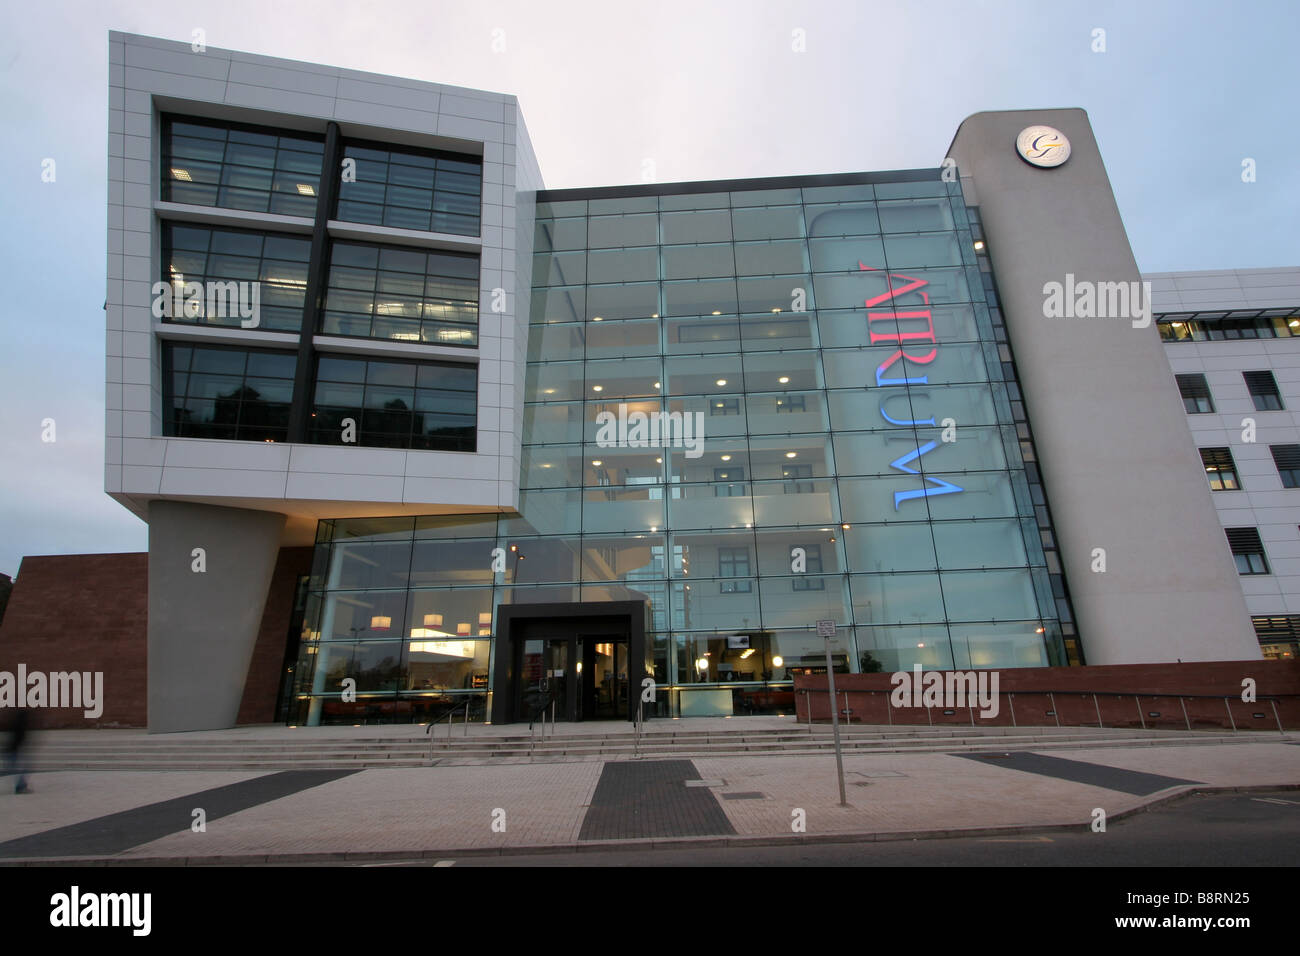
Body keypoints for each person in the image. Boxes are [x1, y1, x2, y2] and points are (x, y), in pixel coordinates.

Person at [4, 706, 31, 794]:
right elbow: (19, 738)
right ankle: (20, 787)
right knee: (21, 769)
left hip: (12, 750)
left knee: (21, 769)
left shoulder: (17, 725)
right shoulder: (20, 727)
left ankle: (21, 786)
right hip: (12, 750)